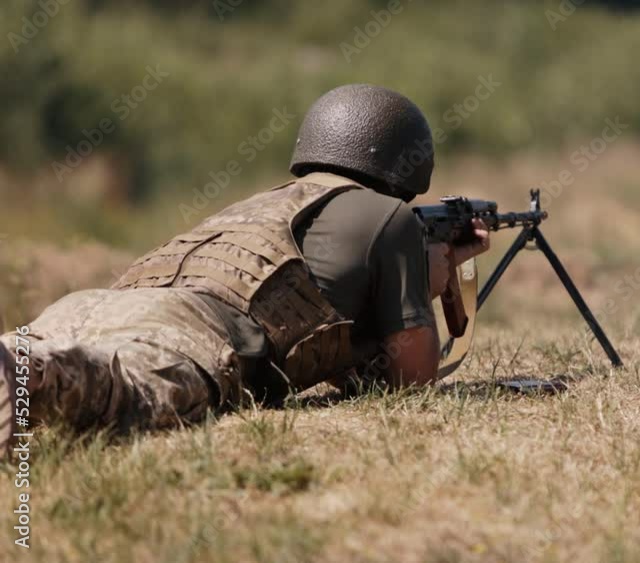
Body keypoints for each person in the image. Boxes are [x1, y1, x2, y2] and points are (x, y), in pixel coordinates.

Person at [0, 84, 490, 452]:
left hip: (94, 304)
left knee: (45, 366)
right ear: (407, 166)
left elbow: (345, 364)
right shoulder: (392, 219)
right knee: (92, 389)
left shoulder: (267, 203)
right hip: (189, 329)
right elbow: (412, 384)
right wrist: (421, 286)